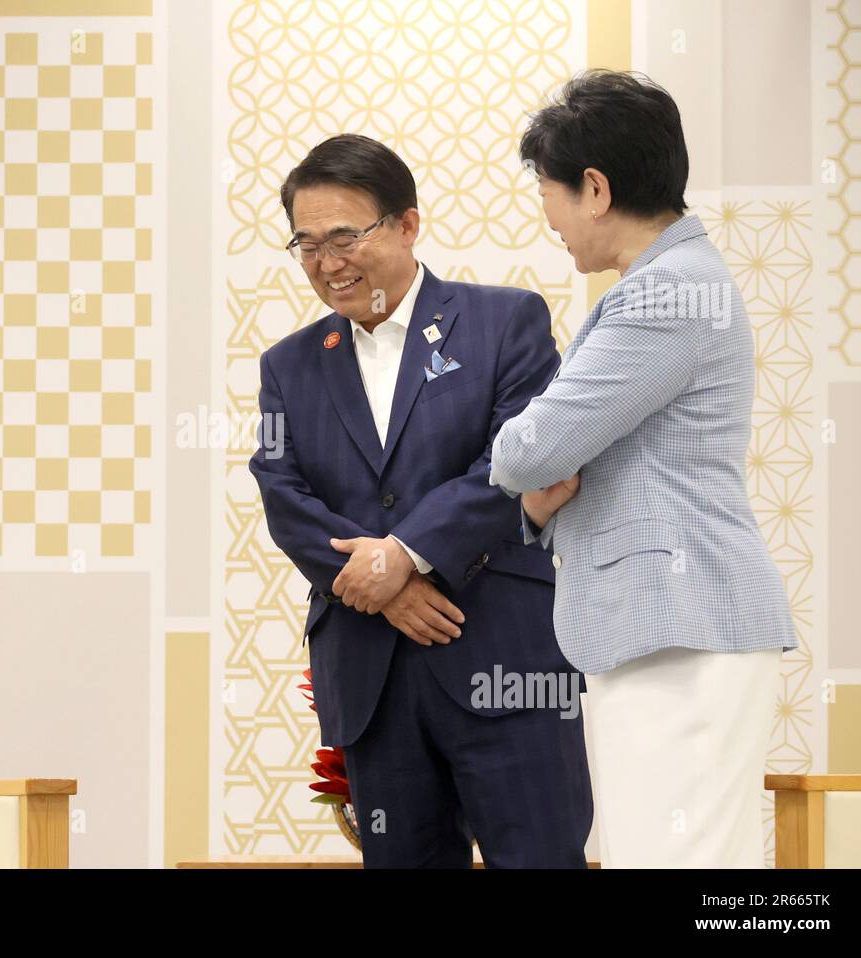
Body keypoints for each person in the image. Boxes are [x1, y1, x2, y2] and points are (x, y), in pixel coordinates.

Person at [250, 133, 592, 868]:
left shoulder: (506, 322)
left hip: (504, 660)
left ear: (407, 224)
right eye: (305, 244)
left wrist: (406, 559)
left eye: (345, 236)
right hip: (373, 679)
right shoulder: (288, 366)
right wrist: (383, 590)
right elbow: (283, 495)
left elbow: (517, 463)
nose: (327, 263)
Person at [491, 70, 796, 867]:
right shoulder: (666, 285)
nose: (549, 219)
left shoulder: (668, 296)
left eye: (549, 194)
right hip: (663, 631)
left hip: (680, 629)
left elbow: (528, 450)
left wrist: (525, 450)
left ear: (594, 188)